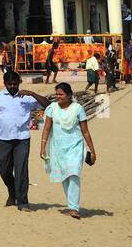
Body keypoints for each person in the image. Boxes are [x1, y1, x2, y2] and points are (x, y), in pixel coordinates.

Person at [0, 70, 51, 211]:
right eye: (10, 84)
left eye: (15, 84)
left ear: (19, 83)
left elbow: (48, 105)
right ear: (4, 83)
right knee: (3, 170)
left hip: (22, 139)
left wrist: (32, 94)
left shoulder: (26, 98)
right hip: (3, 139)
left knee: (21, 170)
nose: (13, 86)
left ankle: (23, 202)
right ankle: (12, 192)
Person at [39, 82, 97, 220]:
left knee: (74, 173)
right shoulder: (52, 108)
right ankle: (71, 204)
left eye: (61, 94)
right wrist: (42, 146)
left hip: (75, 147)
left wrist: (92, 150)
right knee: (65, 176)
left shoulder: (78, 109)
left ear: (69, 95)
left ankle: (74, 207)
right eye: (57, 94)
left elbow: (85, 131)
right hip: (58, 147)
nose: (58, 97)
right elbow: (46, 128)